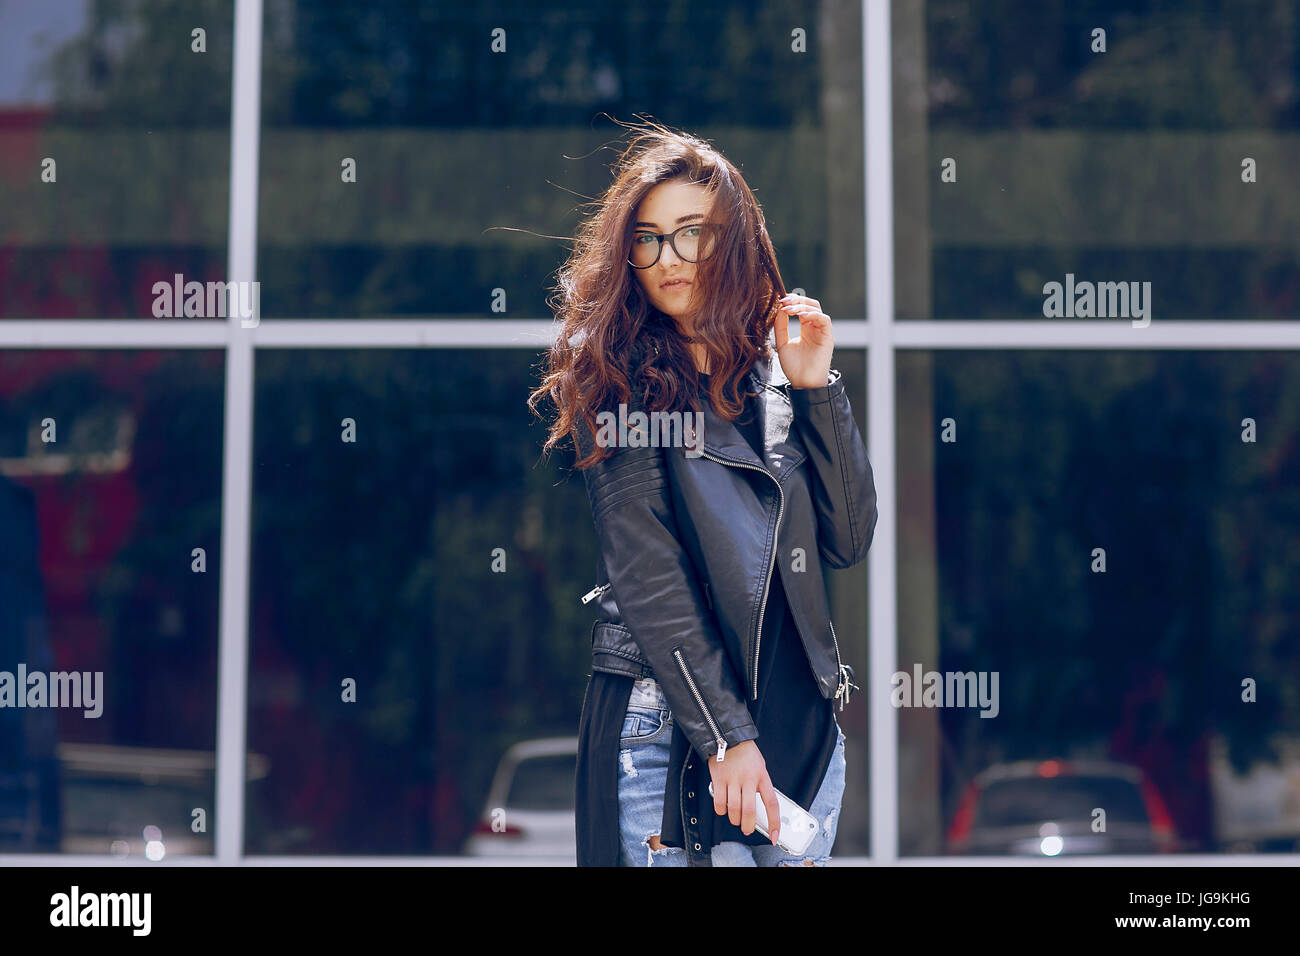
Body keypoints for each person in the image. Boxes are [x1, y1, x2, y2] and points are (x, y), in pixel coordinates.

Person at [529, 120, 877, 866]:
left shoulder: (778, 381)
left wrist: (817, 389)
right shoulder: (618, 386)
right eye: (649, 239)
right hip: (670, 724)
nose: (668, 258)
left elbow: (848, 538)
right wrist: (726, 737)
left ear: (737, 240)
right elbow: (651, 578)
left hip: (797, 728)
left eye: (693, 233)